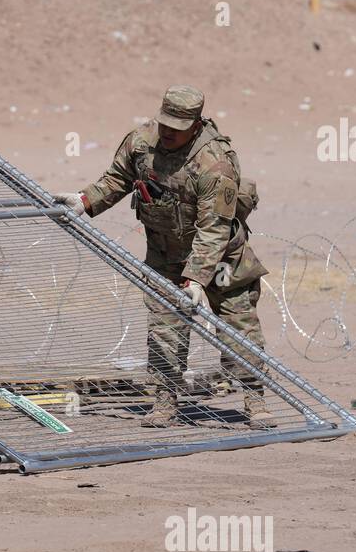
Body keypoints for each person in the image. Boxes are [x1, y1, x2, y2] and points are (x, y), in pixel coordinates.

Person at [55, 85, 277, 429]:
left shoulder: (214, 162)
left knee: (238, 329)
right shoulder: (141, 142)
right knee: (164, 331)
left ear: (196, 123)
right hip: (165, 255)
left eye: (179, 126)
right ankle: (164, 401)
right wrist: (84, 201)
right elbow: (117, 178)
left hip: (221, 262)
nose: (169, 132)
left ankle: (254, 398)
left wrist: (197, 280)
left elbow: (214, 228)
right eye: (166, 122)